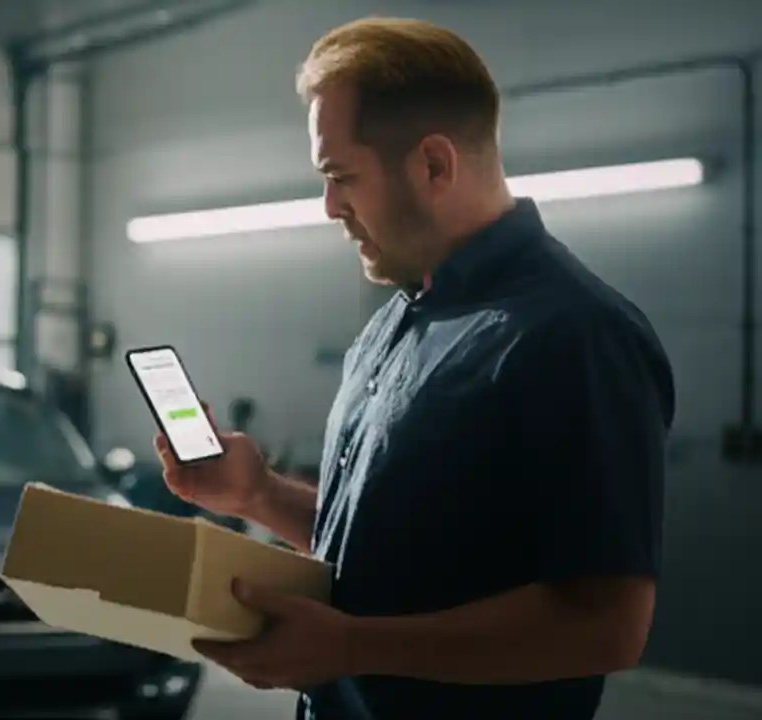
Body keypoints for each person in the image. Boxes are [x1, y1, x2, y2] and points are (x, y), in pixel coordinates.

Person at [153, 16, 675, 720]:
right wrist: (258, 495)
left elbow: (605, 623)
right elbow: (396, 555)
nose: (330, 206)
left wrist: (355, 647)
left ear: (434, 164)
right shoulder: (392, 326)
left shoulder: (575, 335)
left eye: (341, 177)